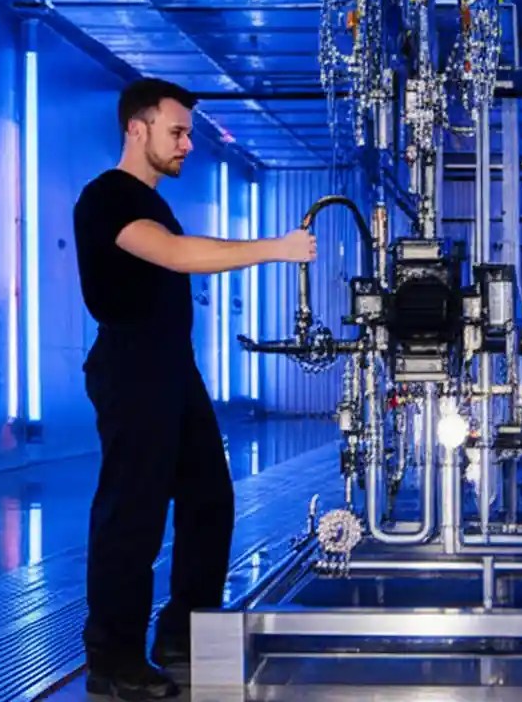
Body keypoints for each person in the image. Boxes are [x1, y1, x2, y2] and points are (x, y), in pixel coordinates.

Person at [71, 77, 315, 700]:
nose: (186, 145)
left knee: (210, 497)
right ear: (137, 128)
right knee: (134, 513)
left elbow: (180, 248)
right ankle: (114, 657)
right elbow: (176, 255)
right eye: (176, 132)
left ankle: (183, 631)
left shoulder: (153, 201)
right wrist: (276, 249)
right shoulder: (106, 198)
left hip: (173, 370)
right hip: (131, 369)